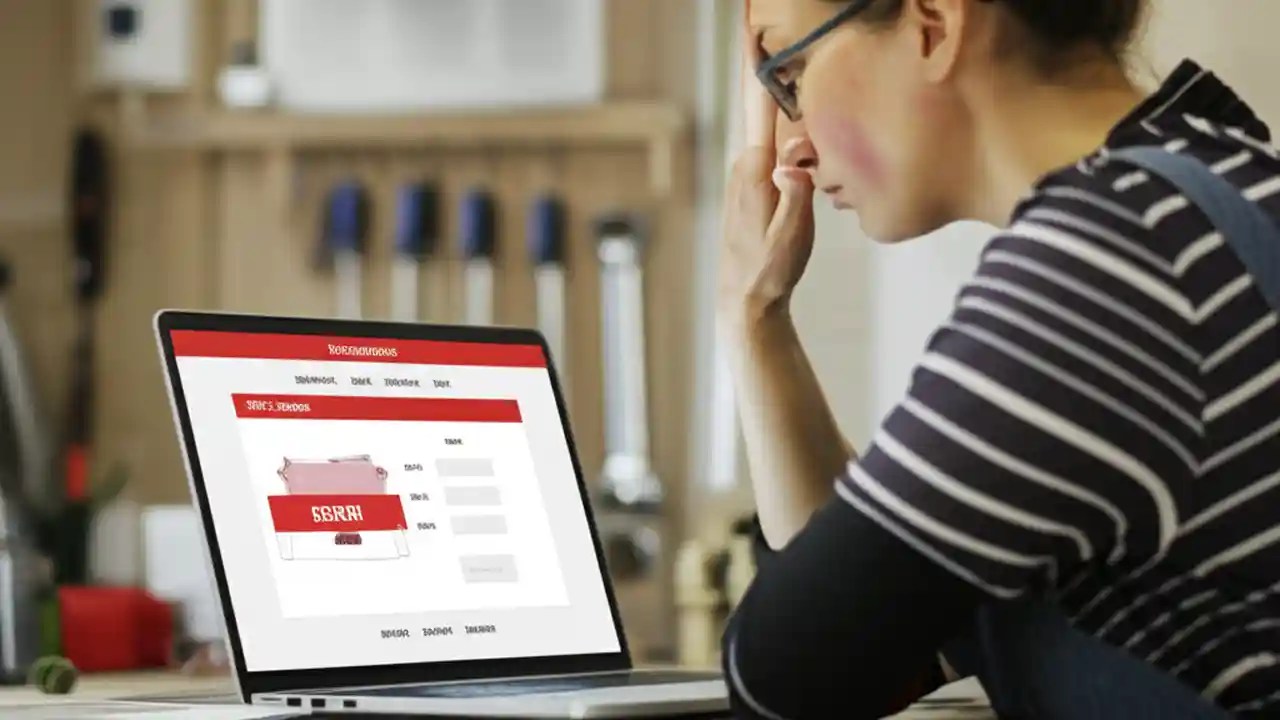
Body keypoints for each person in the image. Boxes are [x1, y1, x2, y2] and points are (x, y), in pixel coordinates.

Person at [718, 0, 1280, 717]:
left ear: (933, 24)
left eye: (789, 72)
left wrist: (742, 311)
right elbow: (882, 627)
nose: (788, 146)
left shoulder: (1106, 261)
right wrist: (757, 316)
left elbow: (786, 676)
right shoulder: (1215, 185)